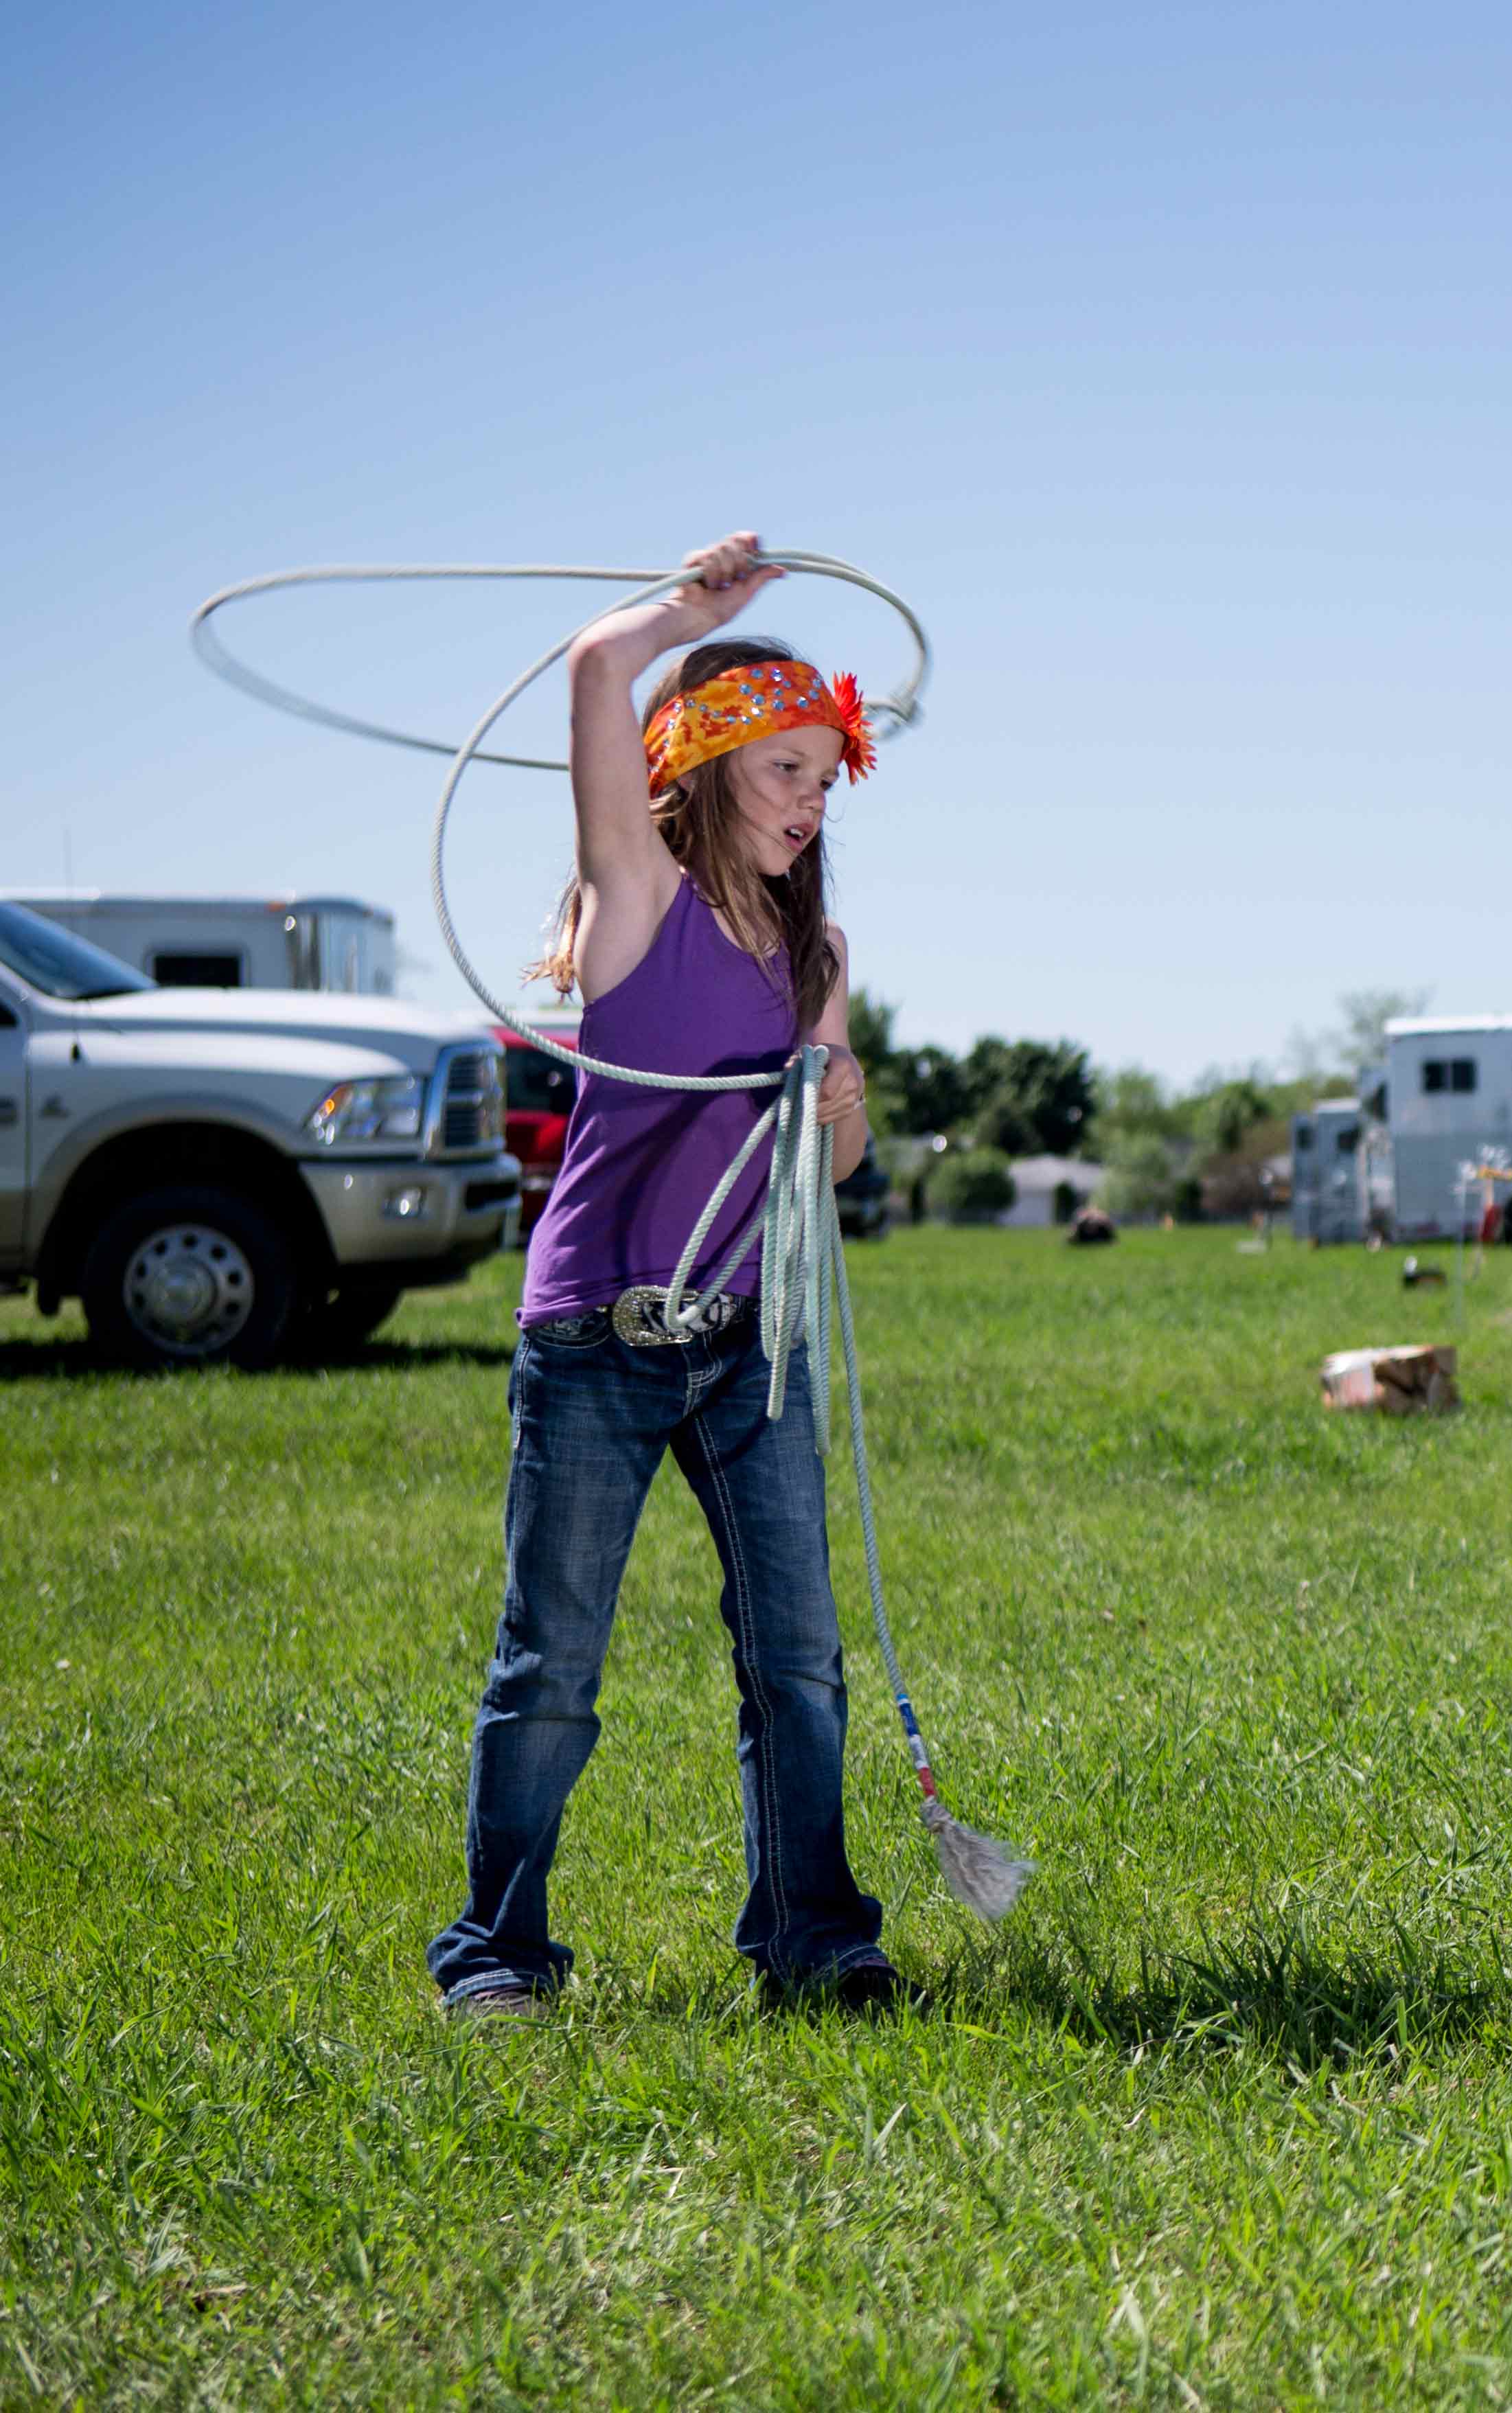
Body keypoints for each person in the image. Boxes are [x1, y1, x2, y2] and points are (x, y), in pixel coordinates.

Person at [428, 531, 893, 2016]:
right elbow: (591, 670)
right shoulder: (634, 897)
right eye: (784, 771)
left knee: (800, 1660)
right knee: (550, 1662)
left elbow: (823, 1181)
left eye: (828, 776)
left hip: (754, 1335)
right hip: (598, 1332)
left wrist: (844, 1118)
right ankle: (498, 1952)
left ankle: (814, 1941)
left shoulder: (817, 953)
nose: (812, 802)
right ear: (699, 770)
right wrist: (695, 616)